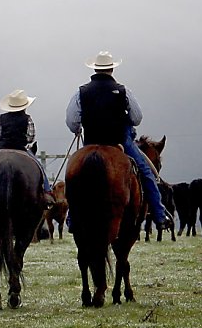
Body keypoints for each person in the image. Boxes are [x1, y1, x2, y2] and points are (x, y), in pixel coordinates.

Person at [65, 51, 172, 230]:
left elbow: (72, 120)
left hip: (91, 141)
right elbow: (137, 117)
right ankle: (159, 215)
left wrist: (78, 129)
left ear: (94, 69)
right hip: (120, 140)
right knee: (146, 173)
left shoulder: (80, 92)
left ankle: (71, 217)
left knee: (73, 176)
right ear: (112, 68)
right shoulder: (123, 91)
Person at [0, 89, 51, 196]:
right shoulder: (27, 118)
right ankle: (47, 192)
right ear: (24, 106)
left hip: (2, 148)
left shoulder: (1, 118)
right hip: (21, 149)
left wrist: (3, 143)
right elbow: (30, 137)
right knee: (40, 169)